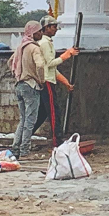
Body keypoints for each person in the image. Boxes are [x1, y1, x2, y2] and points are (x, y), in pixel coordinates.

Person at [31, 16, 78, 148]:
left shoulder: (46, 42)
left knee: (42, 113)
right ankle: (58, 141)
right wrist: (66, 55)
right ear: (46, 28)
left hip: (46, 80)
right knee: (53, 111)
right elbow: (51, 64)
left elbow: (52, 69)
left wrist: (66, 83)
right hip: (46, 82)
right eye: (53, 27)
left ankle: (26, 136)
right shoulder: (45, 43)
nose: (56, 29)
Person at [9, 20, 47, 160]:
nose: (41, 33)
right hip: (31, 85)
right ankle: (24, 150)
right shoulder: (34, 48)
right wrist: (41, 79)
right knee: (30, 121)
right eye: (39, 31)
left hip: (19, 85)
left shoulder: (21, 46)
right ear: (33, 33)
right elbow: (41, 65)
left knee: (23, 119)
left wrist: (17, 74)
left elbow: (10, 62)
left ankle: (15, 148)